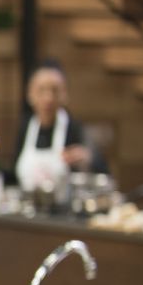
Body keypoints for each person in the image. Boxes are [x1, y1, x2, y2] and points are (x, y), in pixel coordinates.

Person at [12, 62, 107, 192]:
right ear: (30, 94)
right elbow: (13, 172)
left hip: (65, 209)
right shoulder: (26, 127)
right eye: (41, 90)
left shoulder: (74, 128)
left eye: (55, 91)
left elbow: (103, 171)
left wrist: (87, 158)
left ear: (64, 95)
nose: (48, 98)